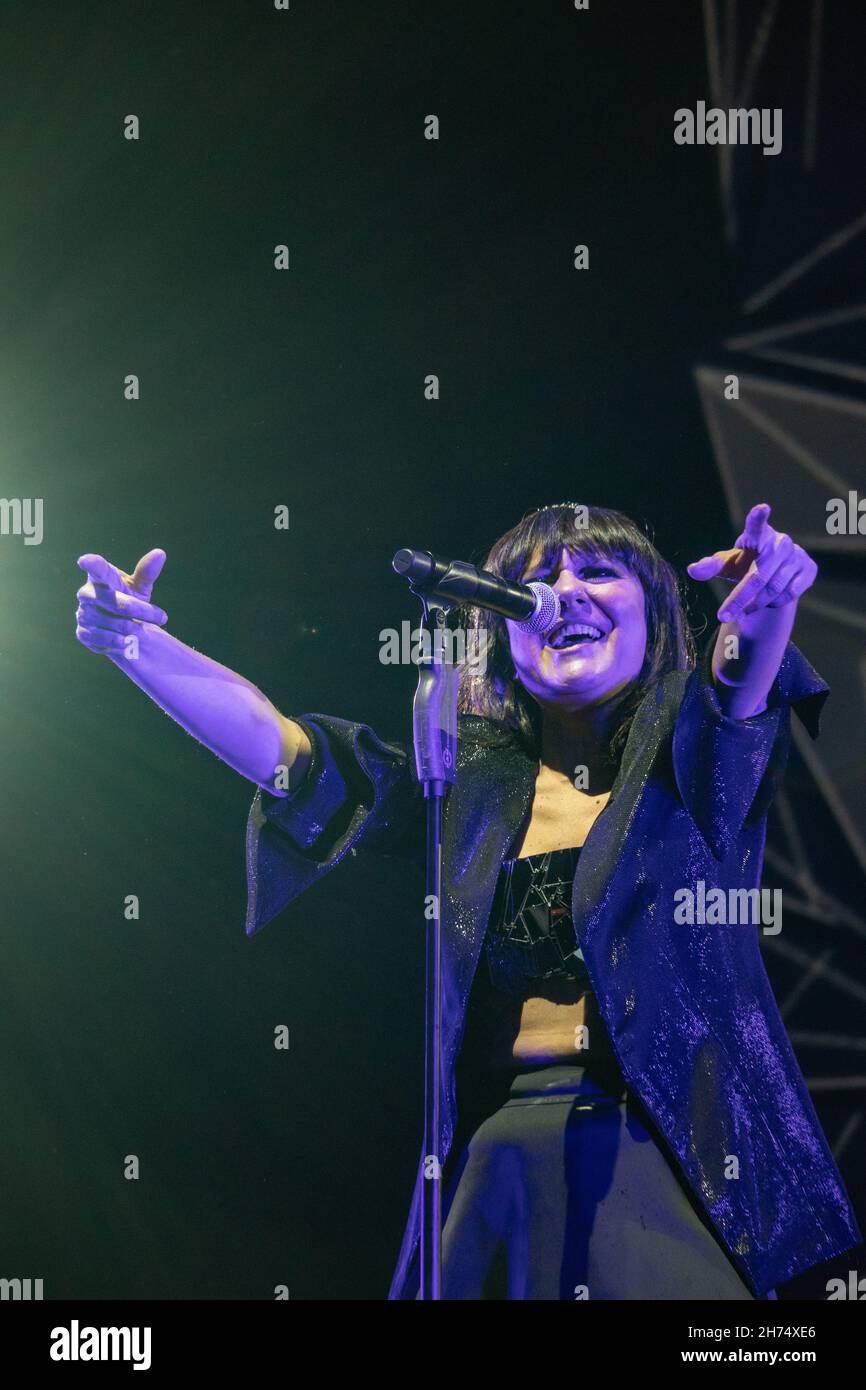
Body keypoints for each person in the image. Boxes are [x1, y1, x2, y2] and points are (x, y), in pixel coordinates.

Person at [75, 501, 861, 1300]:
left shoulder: (691, 749)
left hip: (670, 1161)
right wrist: (139, 645)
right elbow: (291, 756)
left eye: (596, 572)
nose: (563, 592)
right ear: (504, 632)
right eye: (534, 581)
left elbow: (740, 681)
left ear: (657, 615)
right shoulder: (466, 785)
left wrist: (769, 606)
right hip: (502, 1157)